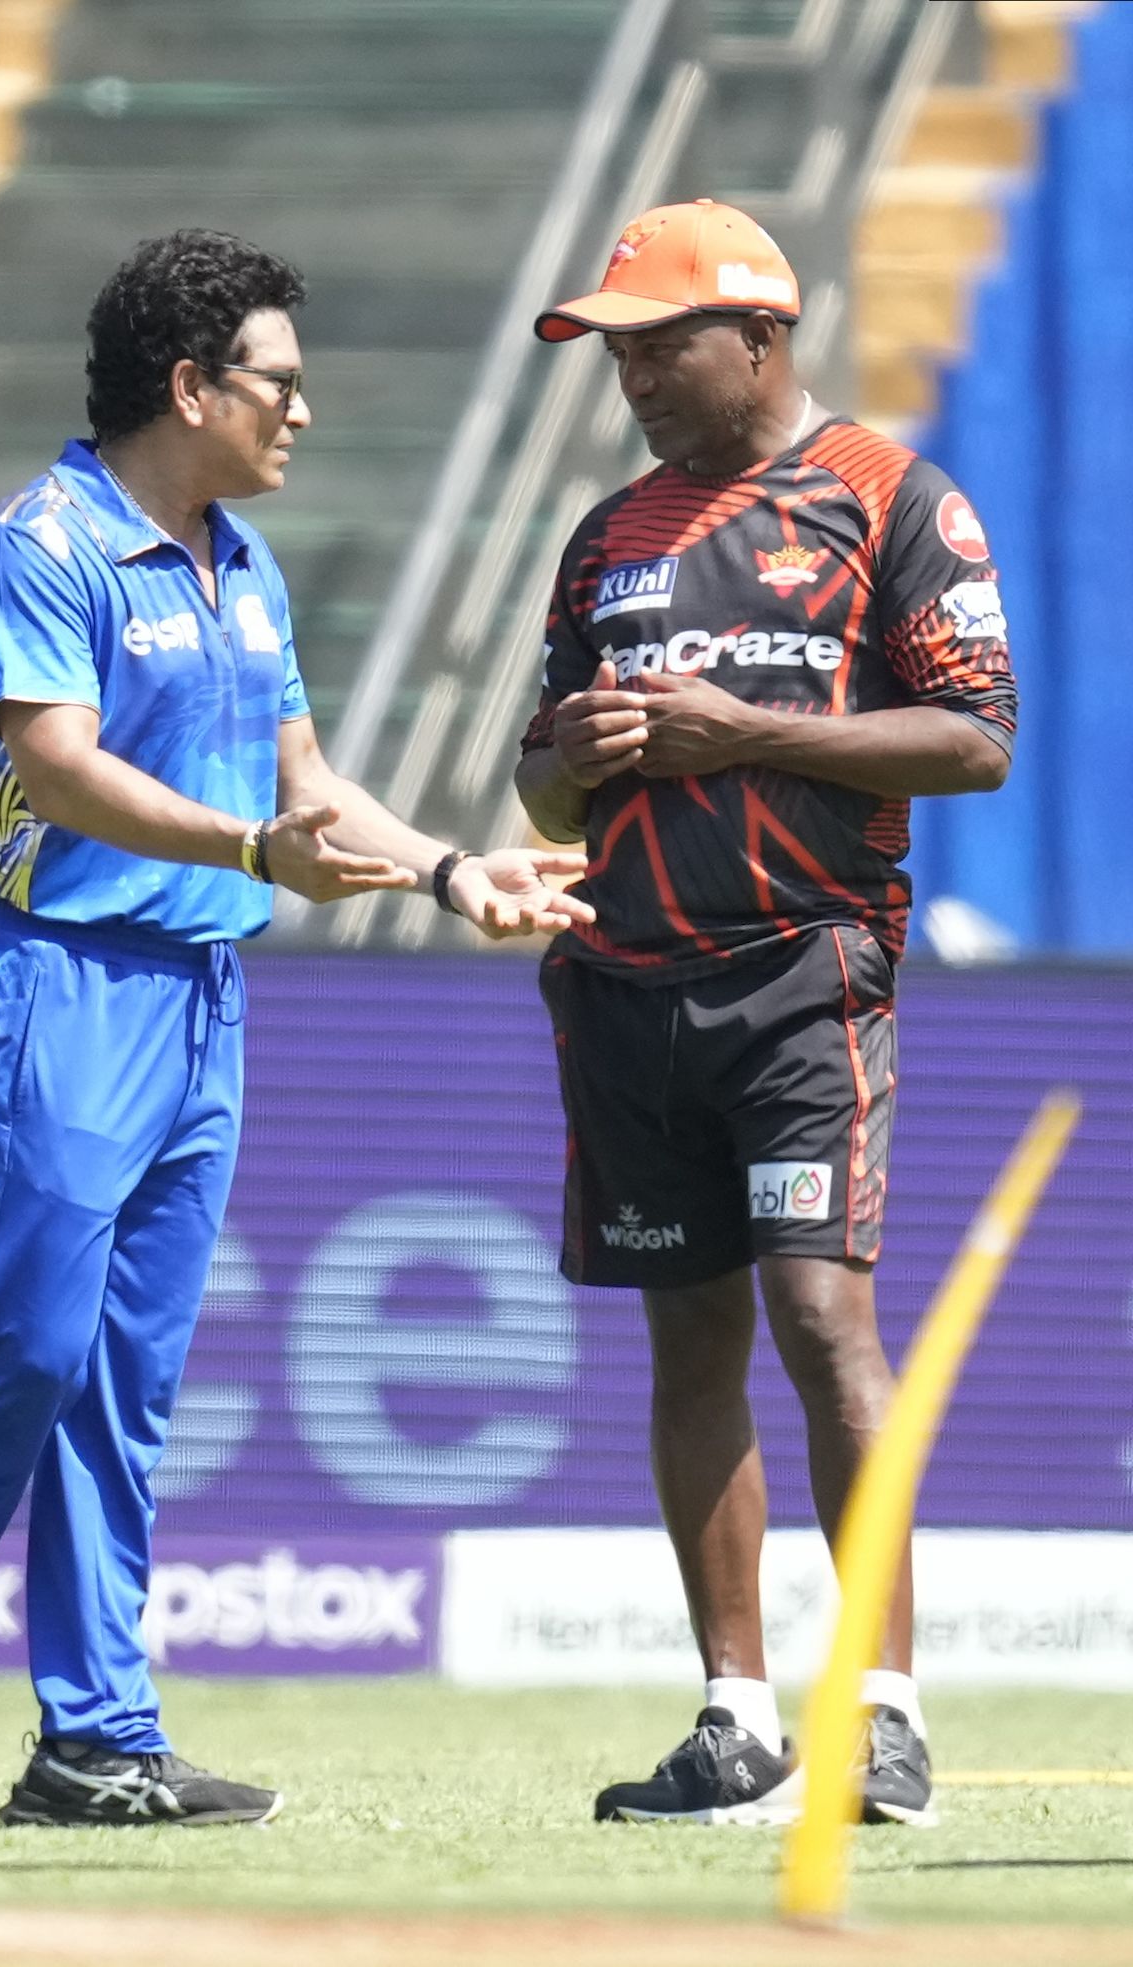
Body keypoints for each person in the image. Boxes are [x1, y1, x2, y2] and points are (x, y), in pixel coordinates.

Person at [0, 228, 592, 1828]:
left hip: (204, 997)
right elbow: (67, 767)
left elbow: (306, 796)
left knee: (127, 1378)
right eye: (278, 384)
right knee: (30, 1343)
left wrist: (446, 868)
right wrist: (246, 855)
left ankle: (93, 1738)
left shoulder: (243, 562)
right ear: (189, 384)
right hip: (52, 980)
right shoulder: (42, 541)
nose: (302, 412)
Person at [516, 199, 1016, 1827]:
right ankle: (736, 1717)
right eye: (617, 351)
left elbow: (976, 739)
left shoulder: (893, 497)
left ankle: (882, 1713)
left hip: (806, 975)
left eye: (663, 344)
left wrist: (744, 730)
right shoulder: (610, 537)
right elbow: (534, 789)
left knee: (822, 1323)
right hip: (628, 983)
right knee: (692, 1343)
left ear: (763, 334)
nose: (636, 376)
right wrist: (573, 756)